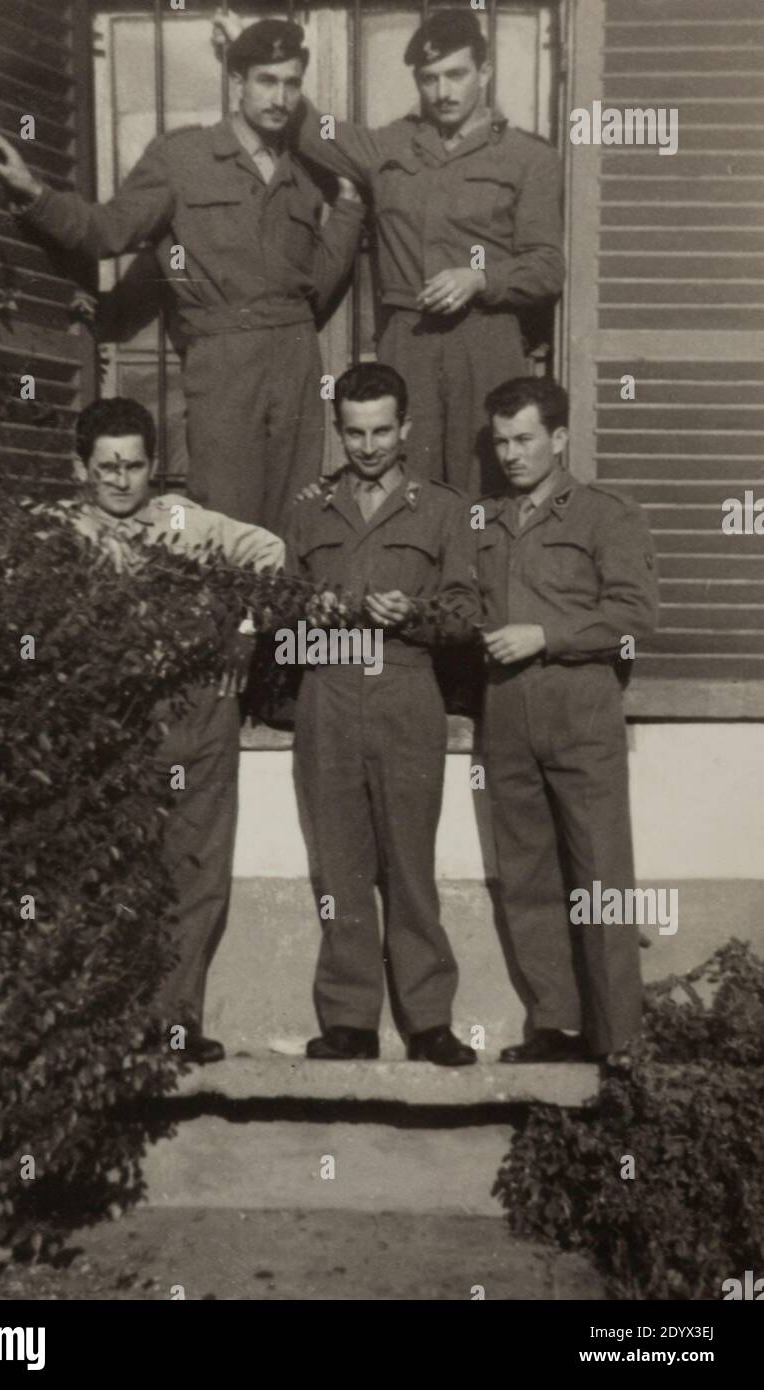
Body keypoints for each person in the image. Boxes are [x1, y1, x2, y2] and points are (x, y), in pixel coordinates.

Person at [0, 20, 364, 533]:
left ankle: (287, 617)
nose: (280, 97)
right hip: (224, 361)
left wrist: (349, 211)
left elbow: (317, 284)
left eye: (292, 84)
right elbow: (107, 230)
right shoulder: (181, 159)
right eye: (267, 81)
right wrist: (34, 194)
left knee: (298, 516)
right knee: (225, 520)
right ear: (236, 83)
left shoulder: (304, 174)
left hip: (297, 356)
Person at [216, 7, 564, 495]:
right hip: (410, 335)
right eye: (429, 79)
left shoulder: (530, 158)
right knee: (409, 482)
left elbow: (548, 267)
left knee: (487, 480)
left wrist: (481, 278)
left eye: (456, 75)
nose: (443, 92)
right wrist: (245, 43)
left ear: (483, 73)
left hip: (488, 337)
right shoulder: (389, 147)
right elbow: (317, 129)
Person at [49, 396, 284, 1063]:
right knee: (109, 874)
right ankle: (107, 1026)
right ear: (81, 469)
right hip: (107, 718)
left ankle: (174, 1023)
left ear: (154, 466)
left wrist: (244, 629)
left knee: (196, 870)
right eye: (107, 468)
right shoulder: (58, 533)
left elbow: (270, 550)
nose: (121, 481)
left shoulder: (187, 523)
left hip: (196, 711)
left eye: (134, 466)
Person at [285, 362, 479, 1066]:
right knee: (338, 866)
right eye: (353, 432)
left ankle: (428, 1021)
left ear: (406, 429)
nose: (367, 446)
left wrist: (417, 612)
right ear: (339, 431)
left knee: (409, 864)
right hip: (328, 688)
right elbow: (279, 611)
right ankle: (349, 1021)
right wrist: (309, 610)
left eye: (381, 431)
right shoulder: (309, 507)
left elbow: (469, 612)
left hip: (405, 686)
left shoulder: (444, 508)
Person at [473, 377, 658, 1067]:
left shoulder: (607, 515)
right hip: (507, 718)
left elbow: (634, 615)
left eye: (524, 439)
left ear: (557, 437)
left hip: (581, 710)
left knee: (602, 878)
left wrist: (546, 635)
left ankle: (620, 1042)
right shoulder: (486, 520)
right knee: (528, 876)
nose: (512, 454)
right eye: (500, 442)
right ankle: (557, 1027)